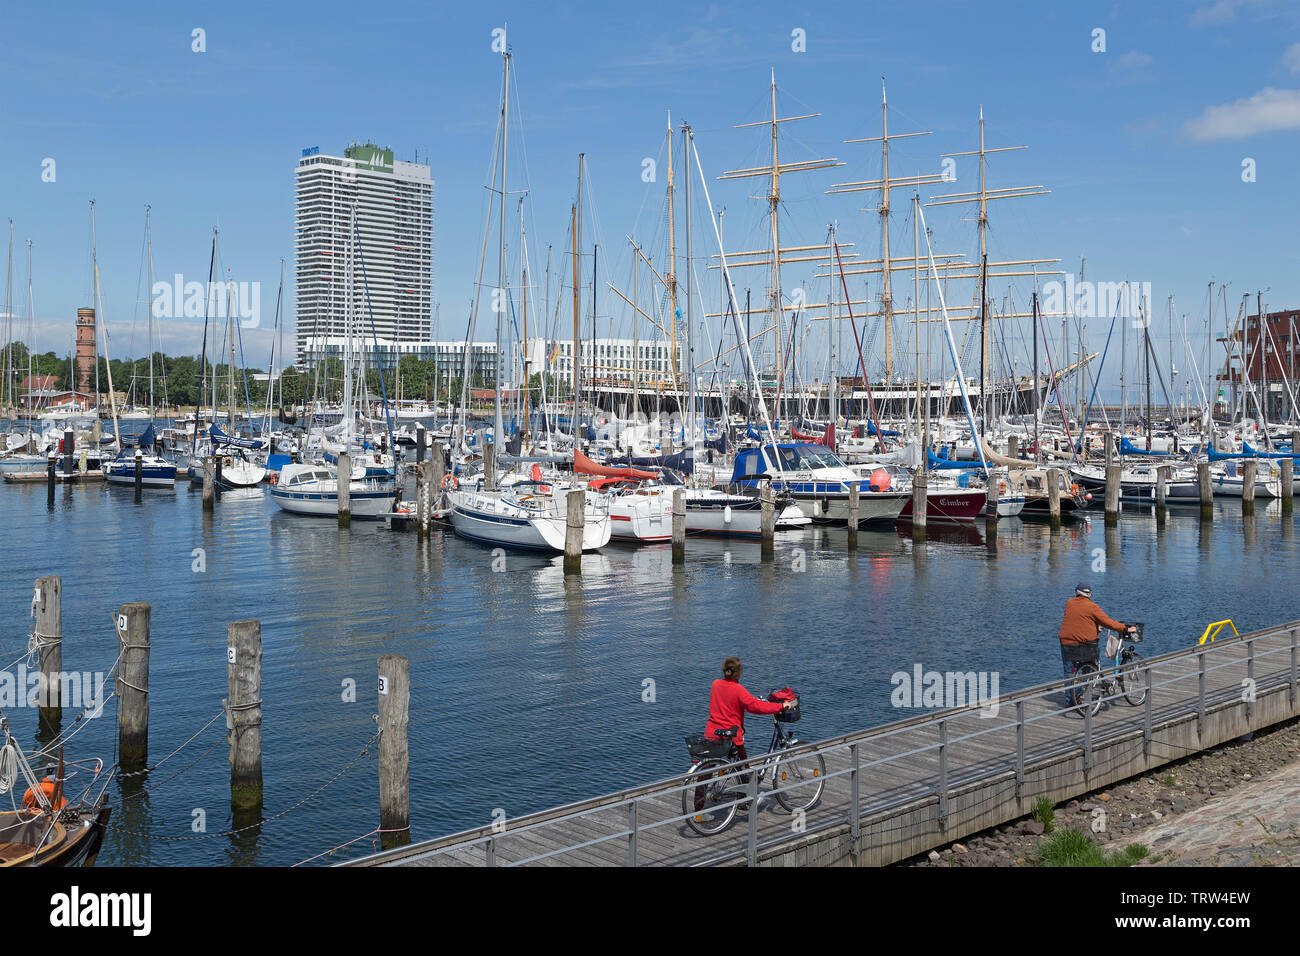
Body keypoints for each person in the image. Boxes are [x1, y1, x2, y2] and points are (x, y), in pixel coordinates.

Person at [704, 656, 793, 767]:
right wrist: (780, 706)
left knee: (707, 771)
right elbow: (755, 707)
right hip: (731, 736)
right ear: (739, 672)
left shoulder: (715, 684)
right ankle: (745, 781)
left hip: (712, 732)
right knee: (744, 770)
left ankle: (701, 784)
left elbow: (728, 699)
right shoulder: (738, 690)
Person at [1058, 582, 1132, 687]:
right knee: (1087, 670)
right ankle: (1082, 694)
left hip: (1066, 641)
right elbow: (1107, 622)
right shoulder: (1092, 606)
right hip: (1084, 644)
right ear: (1089, 594)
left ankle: (1072, 700)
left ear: (1076, 592)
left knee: (1069, 672)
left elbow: (1078, 620)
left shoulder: (1069, 603)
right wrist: (1124, 627)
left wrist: (1094, 627)